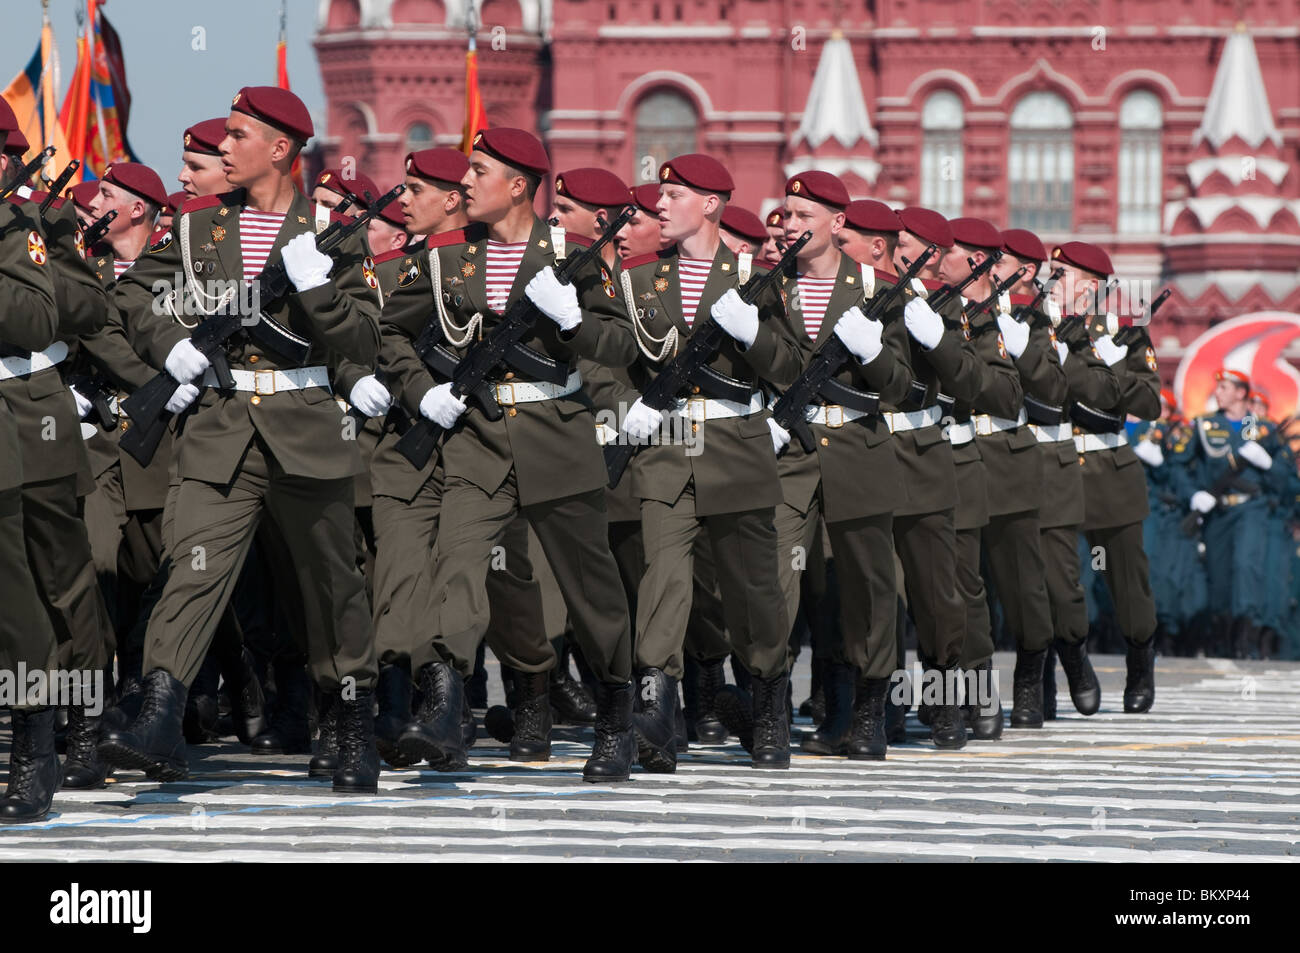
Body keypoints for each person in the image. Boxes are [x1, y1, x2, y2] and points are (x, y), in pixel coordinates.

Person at [99, 86, 383, 794]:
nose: (221, 146)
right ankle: (159, 717)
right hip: (221, 428)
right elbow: (135, 296)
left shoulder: (327, 232)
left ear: (280, 149)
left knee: (330, 585)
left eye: (236, 135)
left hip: (307, 430)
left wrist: (319, 291)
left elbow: (363, 336)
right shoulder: (198, 227)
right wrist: (170, 345)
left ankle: (349, 721)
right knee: (189, 571)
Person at [378, 128, 638, 781]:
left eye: (478, 170)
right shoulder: (444, 257)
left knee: (591, 587)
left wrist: (573, 318)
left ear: (518, 185)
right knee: (457, 564)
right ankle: (442, 705)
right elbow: (390, 330)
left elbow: (618, 344)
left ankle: (617, 713)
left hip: (557, 431)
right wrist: (422, 389)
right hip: (477, 435)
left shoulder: (572, 254)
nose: (464, 182)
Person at [618, 153, 804, 770]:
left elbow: (794, 370)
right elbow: (611, 364)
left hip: (736, 448)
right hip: (667, 450)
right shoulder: (641, 280)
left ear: (711, 205)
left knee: (753, 593)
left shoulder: (762, 277)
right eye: (659, 197)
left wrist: (755, 334)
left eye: (673, 196)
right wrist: (627, 408)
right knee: (664, 581)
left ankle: (769, 701)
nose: (660, 206)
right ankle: (655, 714)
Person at [766, 171, 912, 759]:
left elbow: (899, 385)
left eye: (806, 216)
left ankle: (869, 714)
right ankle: (771, 711)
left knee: (868, 588)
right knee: (774, 583)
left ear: (837, 224)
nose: (793, 227)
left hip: (858, 450)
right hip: (789, 453)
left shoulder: (878, 289)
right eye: (787, 216)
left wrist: (874, 350)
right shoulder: (769, 288)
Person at [1050, 241, 1160, 712]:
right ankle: (1073, 660)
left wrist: (1113, 361)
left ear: (1091, 286)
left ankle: (1140, 665)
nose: (1050, 281)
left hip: (1109, 469)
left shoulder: (1122, 331)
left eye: (1062, 274)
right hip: (1052, 465)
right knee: (1056, 581)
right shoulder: (1032, 327)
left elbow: (1150, 405)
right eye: (1050, 272)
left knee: (1128, 583)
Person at [0, 132, 66, 823]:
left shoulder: (18, 225)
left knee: (15, 600)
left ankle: (34, 746)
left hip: (9, 418)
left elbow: (39, 316)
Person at [1185, 368, 1284, 656]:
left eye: (1225, 387)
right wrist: (1195, 494)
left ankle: (1244, 636)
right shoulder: (1203, 425)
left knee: (1246, 566)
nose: (1218, 392)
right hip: (1218, 511)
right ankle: (1222, 636)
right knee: (1220, 576)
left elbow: (1286, 478)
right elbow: (1180, 466)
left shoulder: (1264, 429)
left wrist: (1268, 464)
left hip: (1251, 509)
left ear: (1241, 393)